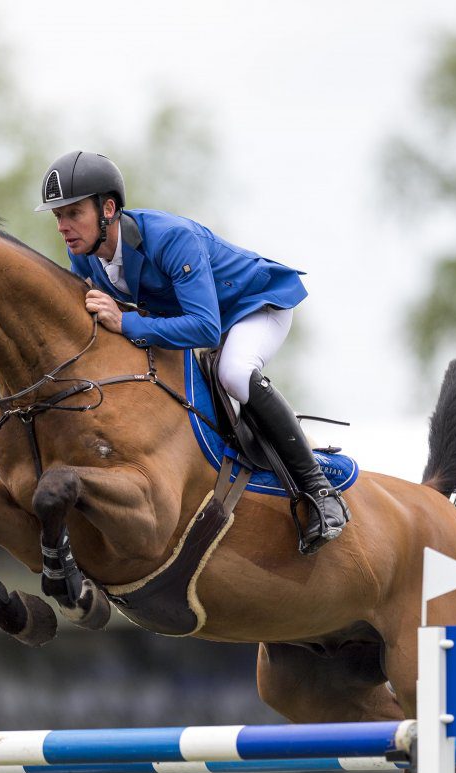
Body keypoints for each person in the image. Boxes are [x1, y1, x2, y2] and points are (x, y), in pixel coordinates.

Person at [34, 150, 349, 554]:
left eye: (73, 213)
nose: (63, 227)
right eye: (57, 216)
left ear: (108, 208)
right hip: (200, 321)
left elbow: (204, 326)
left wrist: (126, 322)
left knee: (233, 372)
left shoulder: (169, 238)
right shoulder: (84, 258)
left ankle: (320, 492)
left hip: (254, 308)